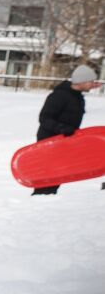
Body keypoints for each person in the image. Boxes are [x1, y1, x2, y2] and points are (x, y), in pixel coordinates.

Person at [31, 64, 100, 196]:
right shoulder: (59, 96)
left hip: (64, 141)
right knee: (47, 175)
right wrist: (62, 129)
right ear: (82, 81)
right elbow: (44, 118)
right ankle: (39, 199)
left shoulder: (77, 96)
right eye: (91, 81)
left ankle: (47, 198)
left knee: (57, 174)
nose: (93, 84)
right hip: (49, 141)